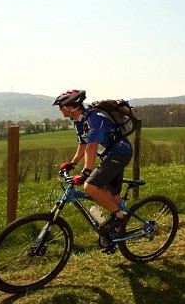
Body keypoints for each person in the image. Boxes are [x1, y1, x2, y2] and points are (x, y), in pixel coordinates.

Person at [53, 89, 133, 236]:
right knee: (112, 195)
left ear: (70, 107)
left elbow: (91, 146)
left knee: (90, 186)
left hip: (120, 153)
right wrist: (73, 163)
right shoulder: (79, 121)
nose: (59, 110)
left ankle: (119, 217)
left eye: (61, 106)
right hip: (111, 156)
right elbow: (83, 144)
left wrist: (86, 171)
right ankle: (120, 233)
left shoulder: (93, 118)